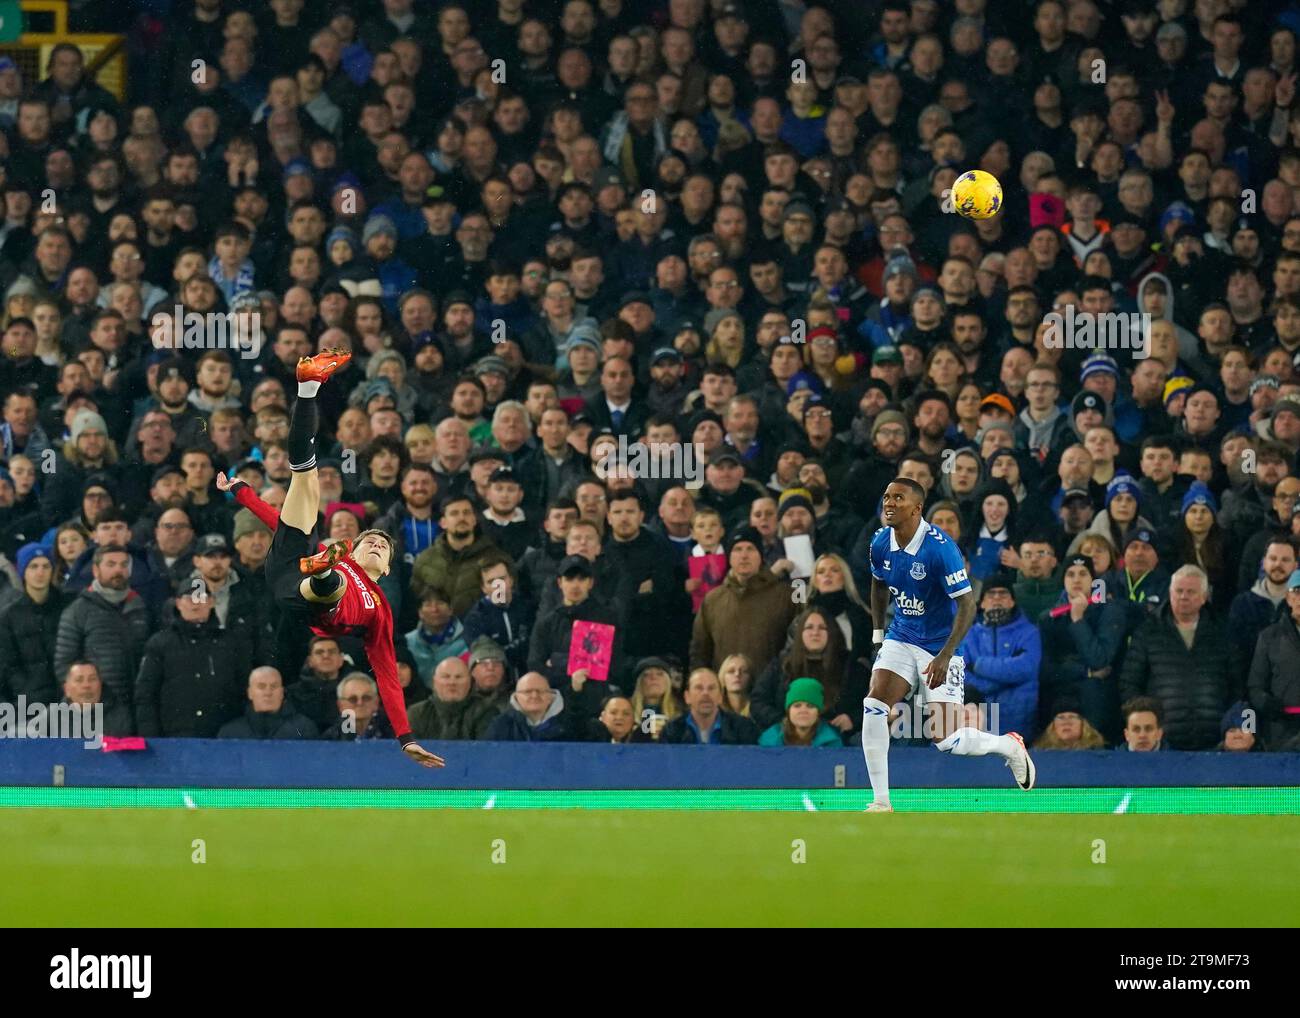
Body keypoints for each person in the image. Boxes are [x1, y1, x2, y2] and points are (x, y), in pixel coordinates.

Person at [214, 349, 442, 768]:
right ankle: (307, 385)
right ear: (353, 548)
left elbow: (388, 676)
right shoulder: (337, 554)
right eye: (368, 539)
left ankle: (319, 576)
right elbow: (275, 520)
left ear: (388, 566)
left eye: (382, 545)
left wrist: (406, 738)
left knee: (330, 586)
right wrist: (241, 491)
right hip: (292, 560)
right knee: (306, 479)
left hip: (306, 596)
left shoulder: (379, 610)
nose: (374, 542)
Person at [861, 478, 1034, 813]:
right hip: (901, 635)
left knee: (947, 740)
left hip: (939, 645)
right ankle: (881, 801)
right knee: (874, 705)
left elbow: (968, 604)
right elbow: (878, 584)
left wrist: (944, 656)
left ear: (916, 508)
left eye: (898, 497)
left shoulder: (940, 548)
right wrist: (878, 634)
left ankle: (1008, 746)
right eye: (886, 496)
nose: (889, 503)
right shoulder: (880, 541)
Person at [406, 656, 498, 741]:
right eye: (446, 677)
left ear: (470, 682)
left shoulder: (486, 711)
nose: (452, 682)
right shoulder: (416, 713)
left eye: (458, 677)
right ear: (434, 682)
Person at [216, 666, 320, 740]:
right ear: (250, 693)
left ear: (282, 692)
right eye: (261, 686)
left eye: (274, 686)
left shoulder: (304, 728)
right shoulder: (230, 732)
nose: (268, 692)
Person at [661, 667, 759, 744]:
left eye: (711, 688)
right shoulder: (672, 730)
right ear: (687, 697)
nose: (705, 693)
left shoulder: (744, 729)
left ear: (720, 696)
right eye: (699, 688)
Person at [758, 677, 844, 747]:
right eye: (797, 706)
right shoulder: (769, 741)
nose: (803, 711)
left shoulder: (832, 742)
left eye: (810, 706)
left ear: (818, 712)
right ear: (788, 711)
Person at [1032, 694, 1107, 750]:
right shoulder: (1039, 753)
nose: (1066, 723)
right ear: (1052, 726)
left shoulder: (1099, 753)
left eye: (1072, 717)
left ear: (1084, 724)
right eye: (1061, 718)